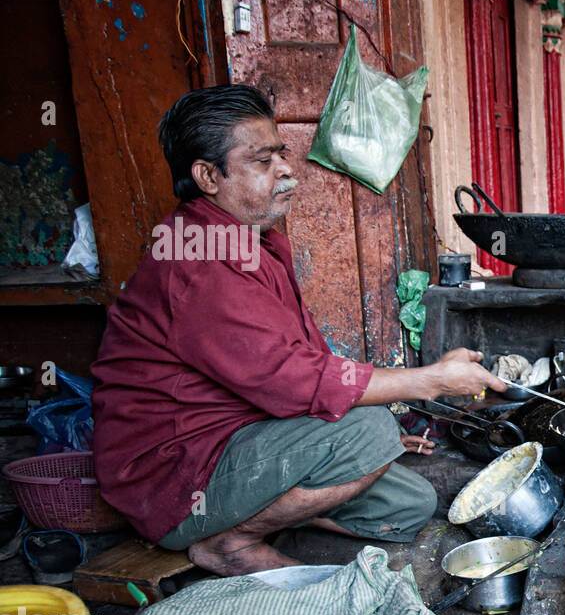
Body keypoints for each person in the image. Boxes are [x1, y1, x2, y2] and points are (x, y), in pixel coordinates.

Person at [91, 85, 506, 577]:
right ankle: (232, 541)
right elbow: (293, 379)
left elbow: (307, 357)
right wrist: (430, 381)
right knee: (368, 433)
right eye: (262, 161)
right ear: (207, 176)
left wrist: (354, 439)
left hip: (243, 438)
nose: (286, 170)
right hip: (174, 477)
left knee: (408, 504)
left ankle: (277, 513)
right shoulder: (196, 259)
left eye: (281, 155)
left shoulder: (253, 244)